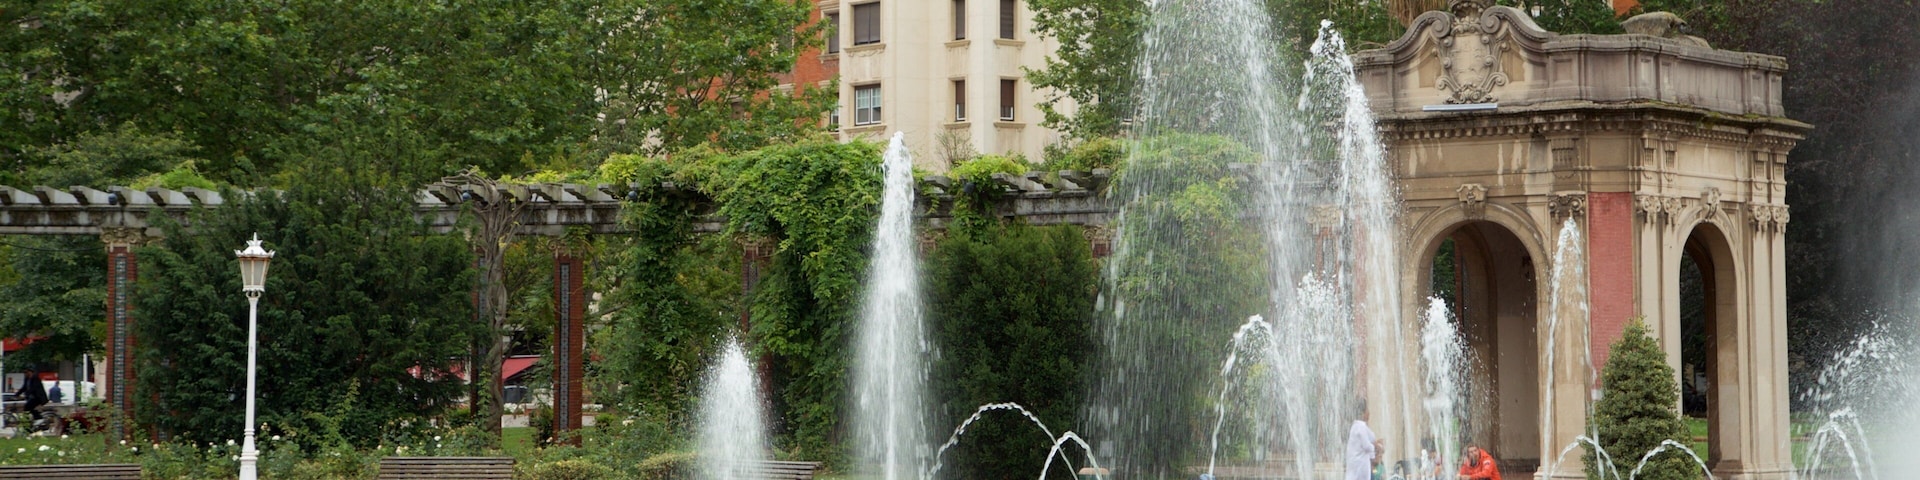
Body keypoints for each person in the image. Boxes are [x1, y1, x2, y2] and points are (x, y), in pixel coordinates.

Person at [1346, 398, 1383, 480]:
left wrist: (1375, 444)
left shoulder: (1357, 426)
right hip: (1360, 466)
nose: (1369, 412)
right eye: (1367, 409)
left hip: (1359, 466)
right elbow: (1366, 445)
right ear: (1363, 413)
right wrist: (1377, 446)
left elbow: (1371, 437)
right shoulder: (1360, 427)